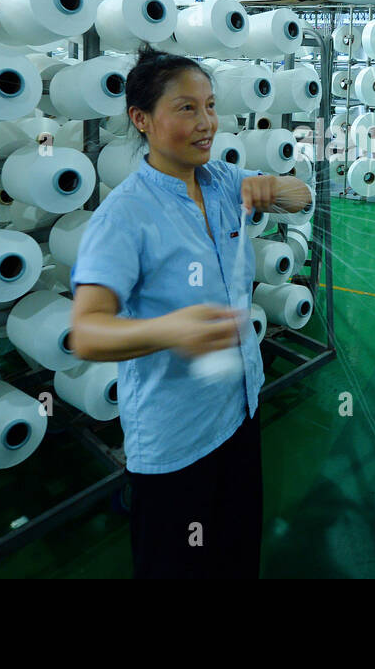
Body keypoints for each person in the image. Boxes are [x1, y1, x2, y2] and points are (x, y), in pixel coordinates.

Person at [68, 44, 312, 579]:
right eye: (185, 108)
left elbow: (303, 195)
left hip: (241, 411)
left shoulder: (225, 183)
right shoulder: (125, 216)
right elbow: (86, 332)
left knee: (236, 556)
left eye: (210, 106)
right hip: (176, 440)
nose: (206, 123)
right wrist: (167, 330)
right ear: (141, 119)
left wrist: (279, 187)